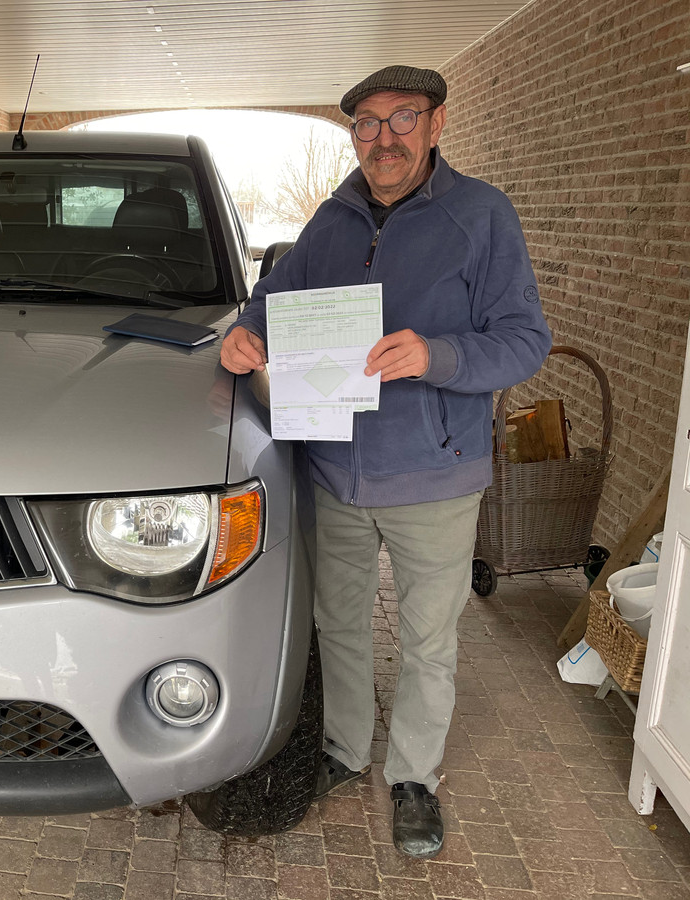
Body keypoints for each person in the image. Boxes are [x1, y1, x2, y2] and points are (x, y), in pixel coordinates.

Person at [221, 65, 551, 859]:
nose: (383, 138)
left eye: (401, 117)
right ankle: (343, 750)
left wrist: (434, 355)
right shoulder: (330, 221)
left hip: (434, 476)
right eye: (366, 124)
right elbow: (275, 300)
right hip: (334, 472)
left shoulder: (481, 217)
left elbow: (523, 340)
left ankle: (413, 777)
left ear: (436, 123)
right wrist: (246, 331)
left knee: (429, 639)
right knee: (339, 623)